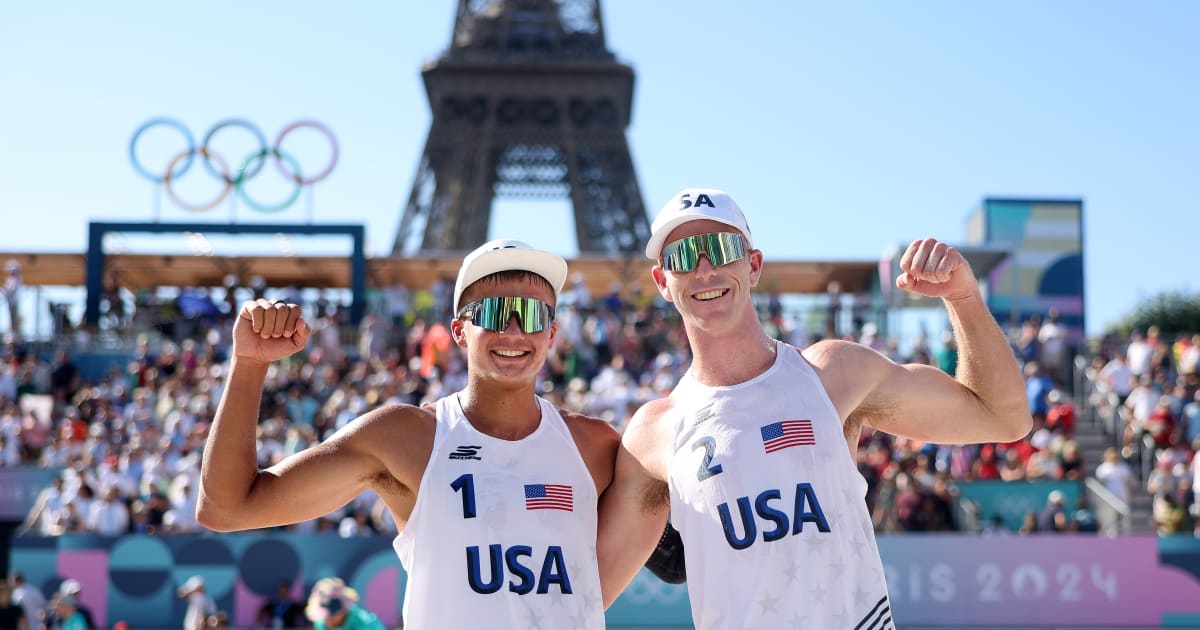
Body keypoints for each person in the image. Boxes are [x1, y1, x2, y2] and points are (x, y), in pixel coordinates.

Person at [598, 188, 1032, 627]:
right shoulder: (653, 433)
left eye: (720, 248)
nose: (704, 268)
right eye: (684, 255)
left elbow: (1004, 417)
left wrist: (962, 298)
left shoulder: (834, 373)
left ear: (753, 265)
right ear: (662, 282)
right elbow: (579, 598)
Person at [197, 240, 618, 629]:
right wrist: (249, 366)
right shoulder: (405, 438)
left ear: (551, 333)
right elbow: (226, 509)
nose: (512, 329)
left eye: (531, 314)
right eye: (492, 312)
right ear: (458, 331)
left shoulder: (595, 445)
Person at [304, 578, 383, 630]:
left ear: (344, 610)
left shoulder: (367, 624)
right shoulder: (321, 622)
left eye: (332, 614)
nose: (328, 619)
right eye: (325, 615)